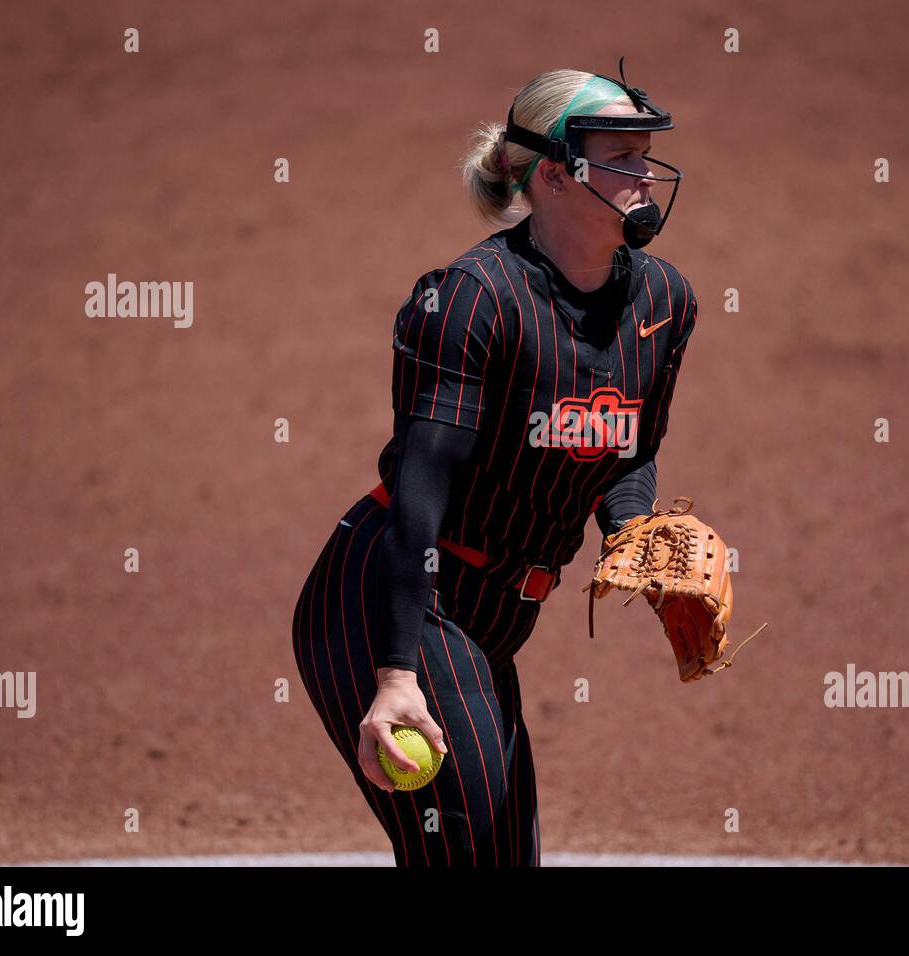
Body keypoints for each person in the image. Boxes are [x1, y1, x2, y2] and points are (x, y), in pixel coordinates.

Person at [291, 60, 695, 867]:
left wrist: (635, 531)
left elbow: (628, 450)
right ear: (555, 173)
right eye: (620, 156)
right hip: (395, 596)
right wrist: (395, 674)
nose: (644, 174)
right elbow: (420, 492)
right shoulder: (474, 299)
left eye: (645, 154)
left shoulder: (663, 301)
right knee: (468, 858)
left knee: (503, 859)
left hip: (493, 617)